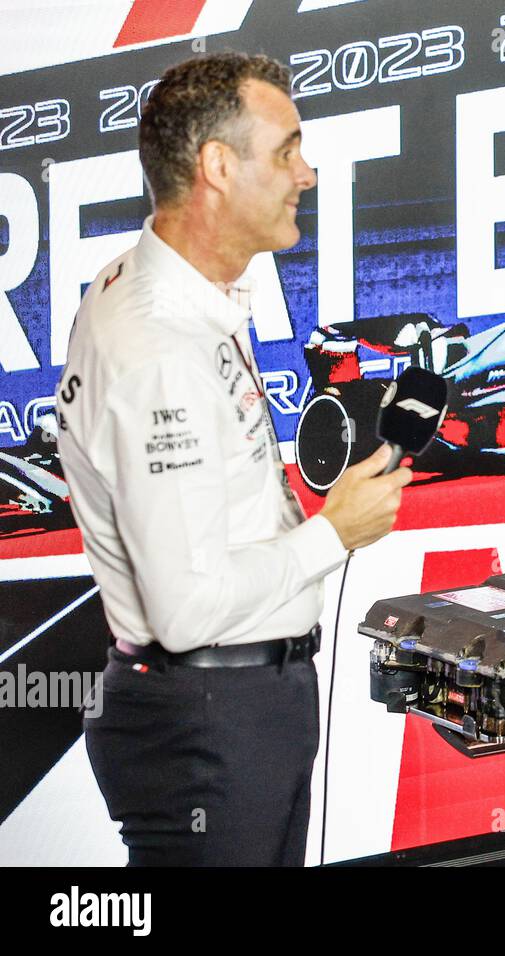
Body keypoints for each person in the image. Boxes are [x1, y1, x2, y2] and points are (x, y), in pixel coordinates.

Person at [55, 53, 412, 866]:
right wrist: (334, 533)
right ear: (217, 167)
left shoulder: (174, 290)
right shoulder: (157, 347)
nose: (308, 173)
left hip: (230, 708)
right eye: (286, 150)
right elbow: (185, 610)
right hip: (211, 719)